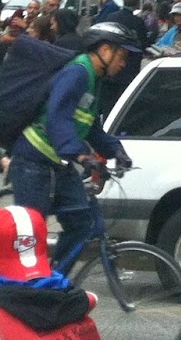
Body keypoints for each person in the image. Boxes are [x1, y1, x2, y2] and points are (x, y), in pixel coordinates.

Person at [4, 21, 139, 263]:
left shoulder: (95, 79)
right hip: (32, 162)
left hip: (57, 163)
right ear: (105, 50)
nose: (123, 63)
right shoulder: (77, 72)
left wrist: (114, 150)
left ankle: (54, 284)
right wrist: (80, 155)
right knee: (31, 234)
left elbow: (89, 125)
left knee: (83, 223)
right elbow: (58, 116)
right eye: (122, 55)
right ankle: (26, 292)